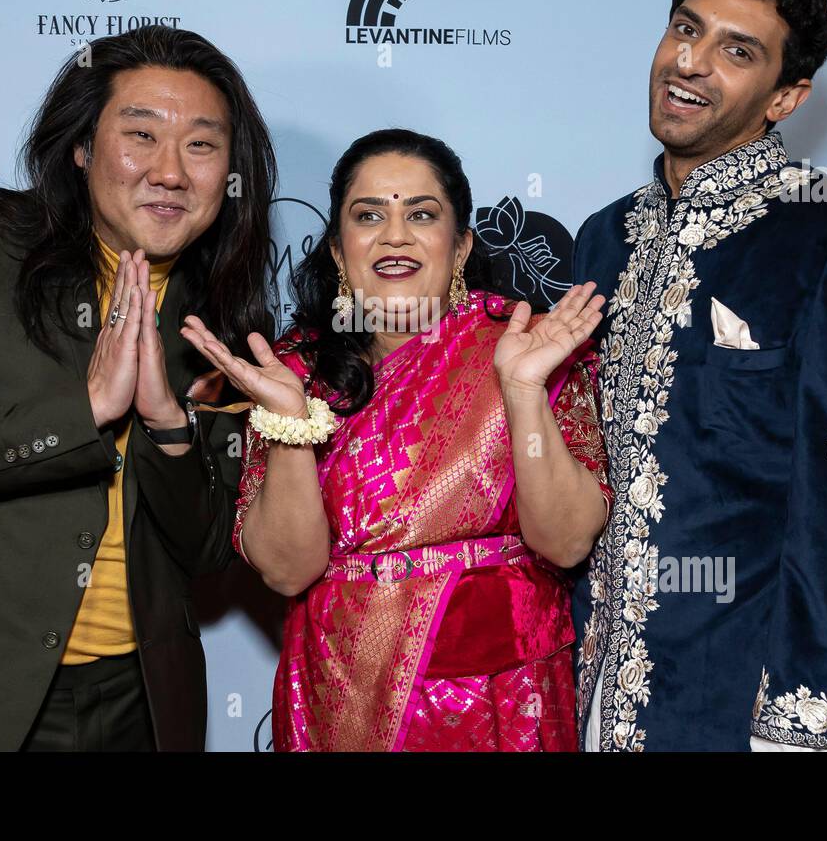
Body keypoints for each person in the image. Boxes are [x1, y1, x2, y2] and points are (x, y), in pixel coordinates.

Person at [0, 26, 276, 750]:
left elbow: (209, 546)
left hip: (142, 704)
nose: (170, 171)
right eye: (141, 135)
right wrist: (85, 410)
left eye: (201, 144)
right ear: (81, 147)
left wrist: (165, 427)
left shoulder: (220, 313)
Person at [570, 0, 827, 751]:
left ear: (785, 96)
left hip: (725, 704)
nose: (691, 63)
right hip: (573, 686)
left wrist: (793, 724)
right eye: (685, 29)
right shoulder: (602, 237)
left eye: (736, 51)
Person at [181, 128, 614, 751]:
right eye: (369, 215)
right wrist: (288, 423)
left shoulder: (528, 347)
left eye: (422, 214)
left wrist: (520, 390)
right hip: (338, 693)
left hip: (498, 697)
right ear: (337, 249)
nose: (395, 234)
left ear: (460, 245)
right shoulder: (294, 371)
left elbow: (567, 541)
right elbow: (287, 569)